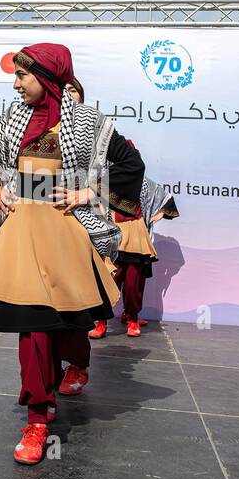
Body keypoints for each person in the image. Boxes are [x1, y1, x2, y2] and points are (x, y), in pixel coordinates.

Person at [0, 43, 144, 465]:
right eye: (17, 75)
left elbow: (131, 165)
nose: (16, 82)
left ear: (45, 78)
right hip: (21, 229)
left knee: (70, 317)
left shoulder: (87, 122)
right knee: (34, 326)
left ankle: (77, 364)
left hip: (66, 228)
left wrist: (87, 191)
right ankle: (37, 418)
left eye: (23, 75)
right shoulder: (9, 120)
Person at [63, 79, 179, 339]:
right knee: (106, 278)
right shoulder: (97, 175)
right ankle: (101, 321)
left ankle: (132, 319)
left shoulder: (138, 178)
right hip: (104, 229)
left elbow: (165, 201)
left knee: (134, 283)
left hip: (133, 232)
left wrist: (150, 221)